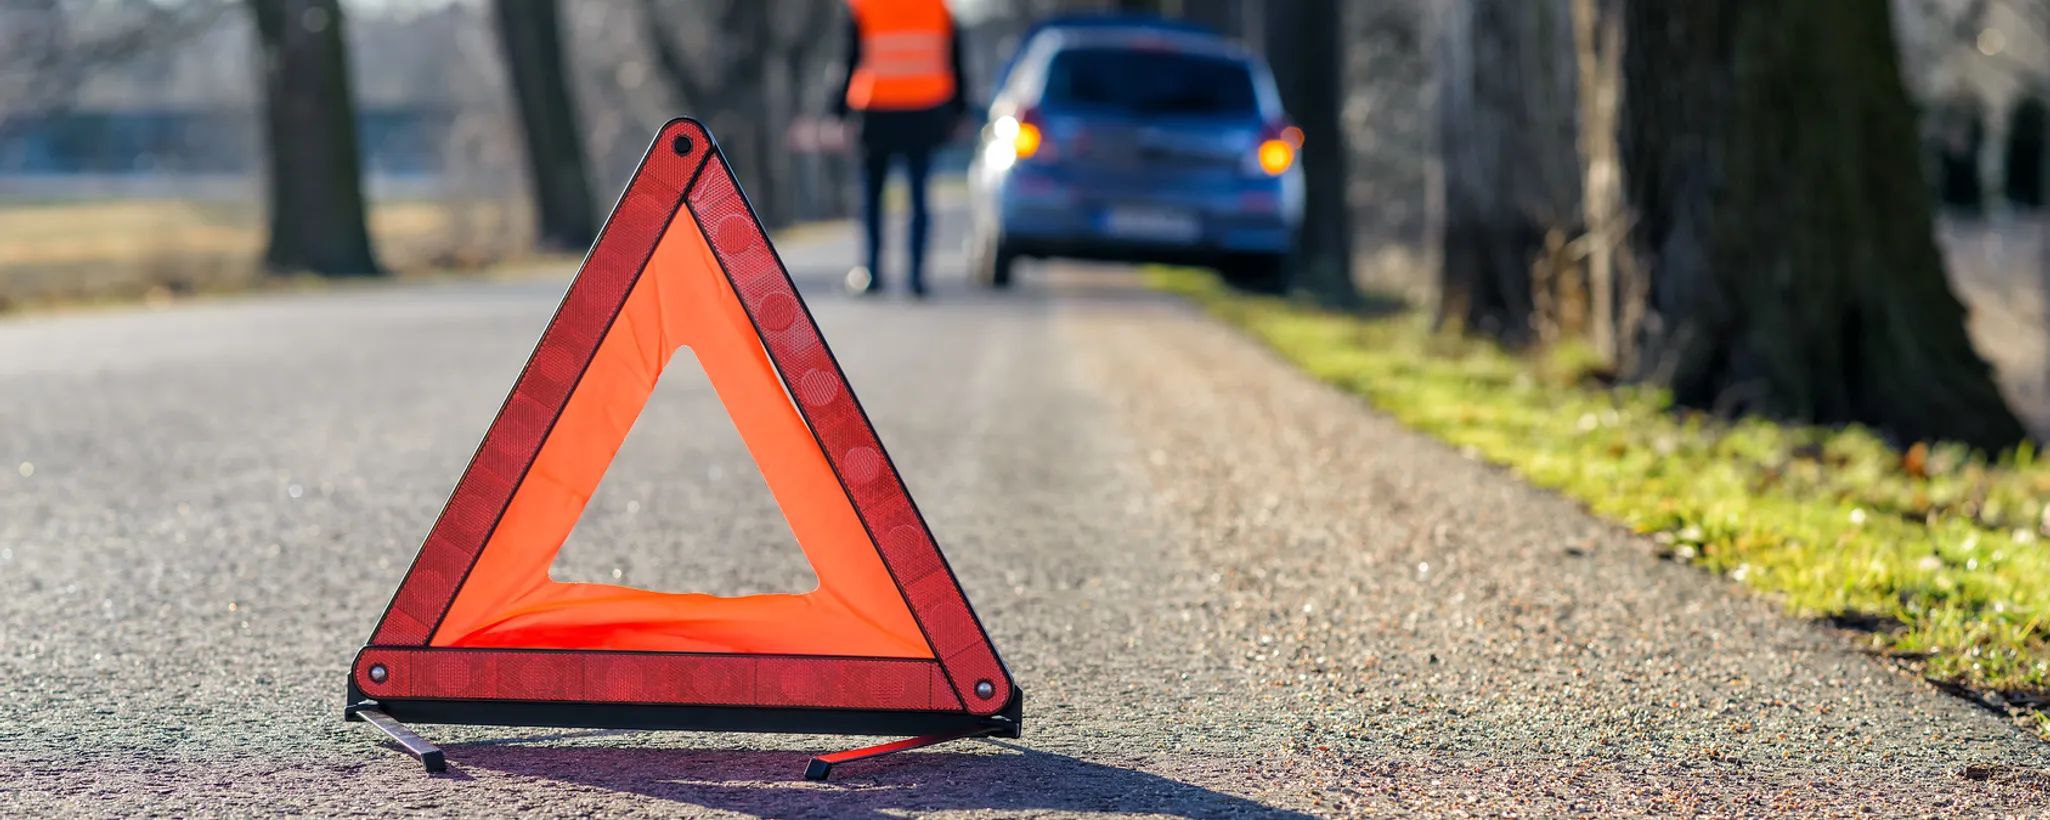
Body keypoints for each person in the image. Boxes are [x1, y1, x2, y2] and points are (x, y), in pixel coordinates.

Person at [832, 0, 971, 299]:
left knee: (872, 198)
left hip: (878, 111)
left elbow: (850, 59)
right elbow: (955, 59)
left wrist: (838, 111)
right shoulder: (937, 7)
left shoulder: (865, 7)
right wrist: (960, 110)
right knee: (919, 196)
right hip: (925, 109)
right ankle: (917, 278)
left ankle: (873, 272)